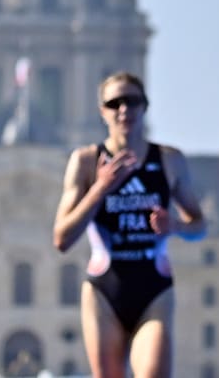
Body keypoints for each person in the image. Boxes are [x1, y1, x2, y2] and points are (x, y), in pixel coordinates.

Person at [53, 72, 206, 378]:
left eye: (132, 101)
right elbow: (62, 238)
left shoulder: (168, 160)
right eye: (114, 103)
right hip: (104, 288)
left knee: (153, 373)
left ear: (145, 107)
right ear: (103, 111)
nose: (124, 109)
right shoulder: (85, 161)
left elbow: (200, 226)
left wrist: (174, 225)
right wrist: (101, 188)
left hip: (153, 286)